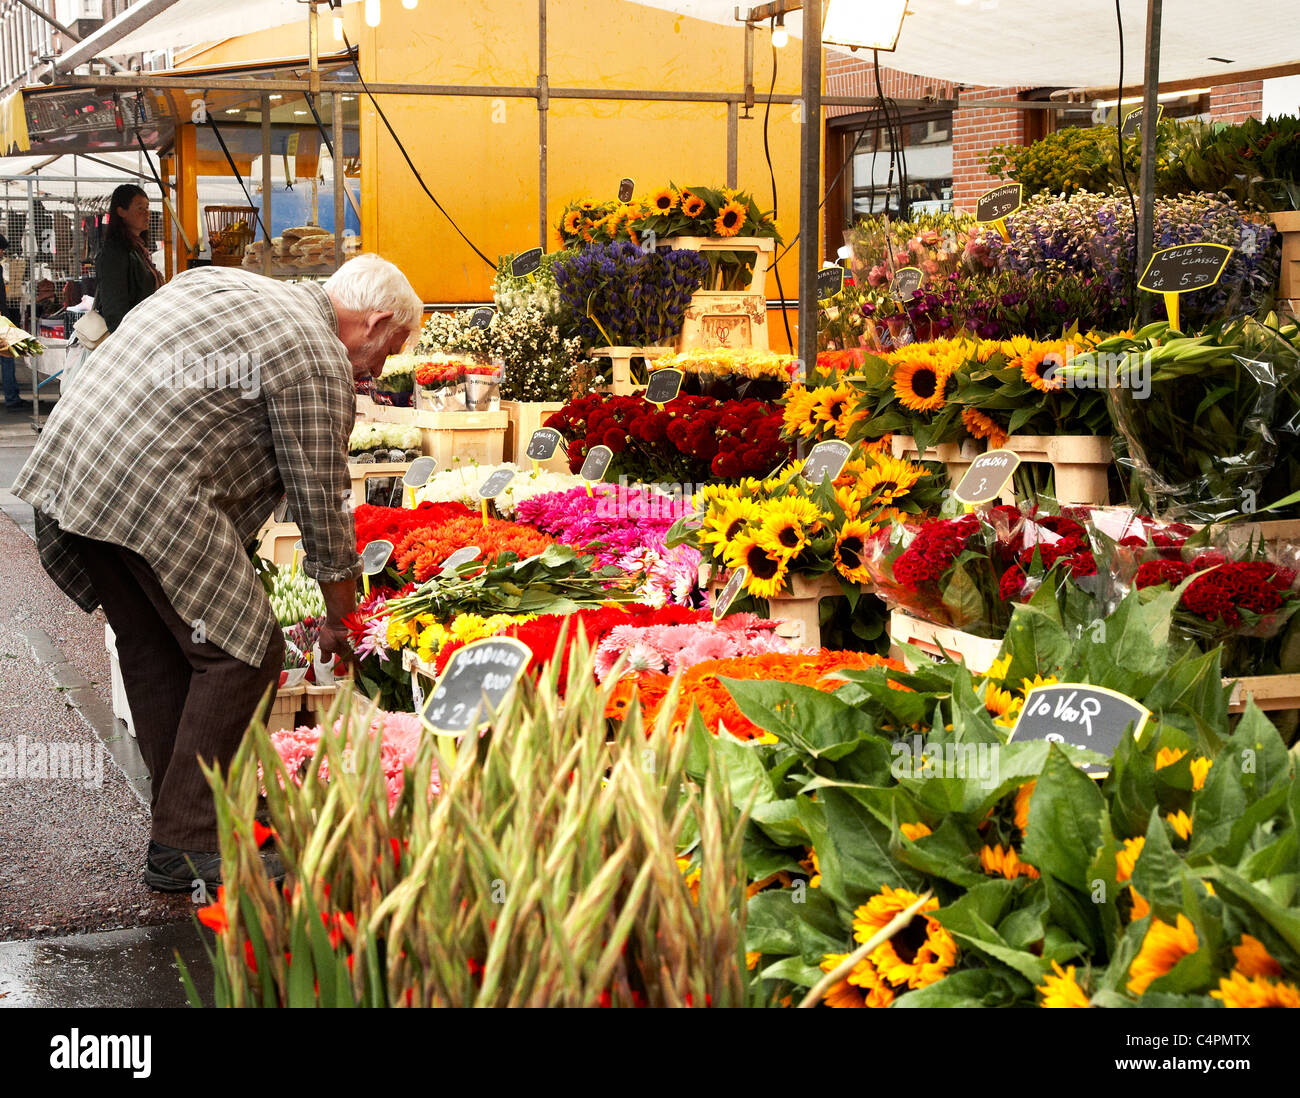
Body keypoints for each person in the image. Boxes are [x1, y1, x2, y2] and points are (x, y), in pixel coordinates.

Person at [12, 254, 422, 891]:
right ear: (374, 322)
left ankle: (182, 831)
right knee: (245, 653)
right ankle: (191, 838)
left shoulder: (233, 284)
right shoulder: (316, 355)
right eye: (391, 348)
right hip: (150, 488)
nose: (381, 368)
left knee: (158, 649)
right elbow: (320, 500)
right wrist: (347, 616)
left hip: (77, 468)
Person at [95, 183, 164, 333]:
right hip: (131, 337)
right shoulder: (114, 252)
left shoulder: (139, 250)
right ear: (121, 211)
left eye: (147, 207)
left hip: (146, 332)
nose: (147, 213)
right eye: (140, 208)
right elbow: (115, 311)